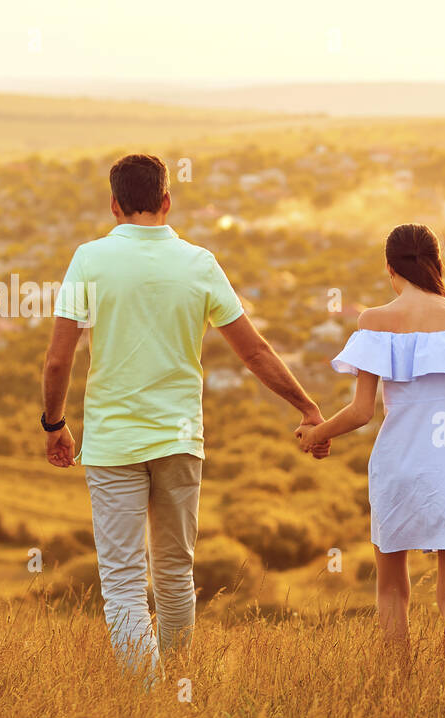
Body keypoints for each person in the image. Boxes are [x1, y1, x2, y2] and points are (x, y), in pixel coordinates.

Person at [41, 153, 328, 675]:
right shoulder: (199, 263)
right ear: (167, 201)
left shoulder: (89, 259)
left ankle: (145, 696)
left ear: (114, 205)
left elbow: (60, 357)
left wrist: (55, 424)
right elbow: (255, 353)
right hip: (180, 440)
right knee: (175, 572)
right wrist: (307, 407)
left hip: (112, 442)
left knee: (124, 580)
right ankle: (178, 684)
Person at [296, 224, 445, 670]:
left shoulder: (374, 321)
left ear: (389, 268)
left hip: (399, 465)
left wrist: (316, 435)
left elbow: (361, 412)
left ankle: (399, 682)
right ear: (436, 263)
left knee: (391, 589)